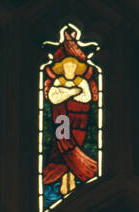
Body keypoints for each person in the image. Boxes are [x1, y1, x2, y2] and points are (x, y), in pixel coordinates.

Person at [42, 33, 98, 201]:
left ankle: (70, 178)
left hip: (79, 121)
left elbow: (86, 97)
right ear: (61, 69)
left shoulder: (82, 82)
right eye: (66, 67)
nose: (69, 70)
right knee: (61, 148)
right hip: (62, 120)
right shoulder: (58, 82)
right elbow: (54, 97)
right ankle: (66, 180)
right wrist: (72, 92)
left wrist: (67, 93)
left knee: (74, 149)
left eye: (72, 67)